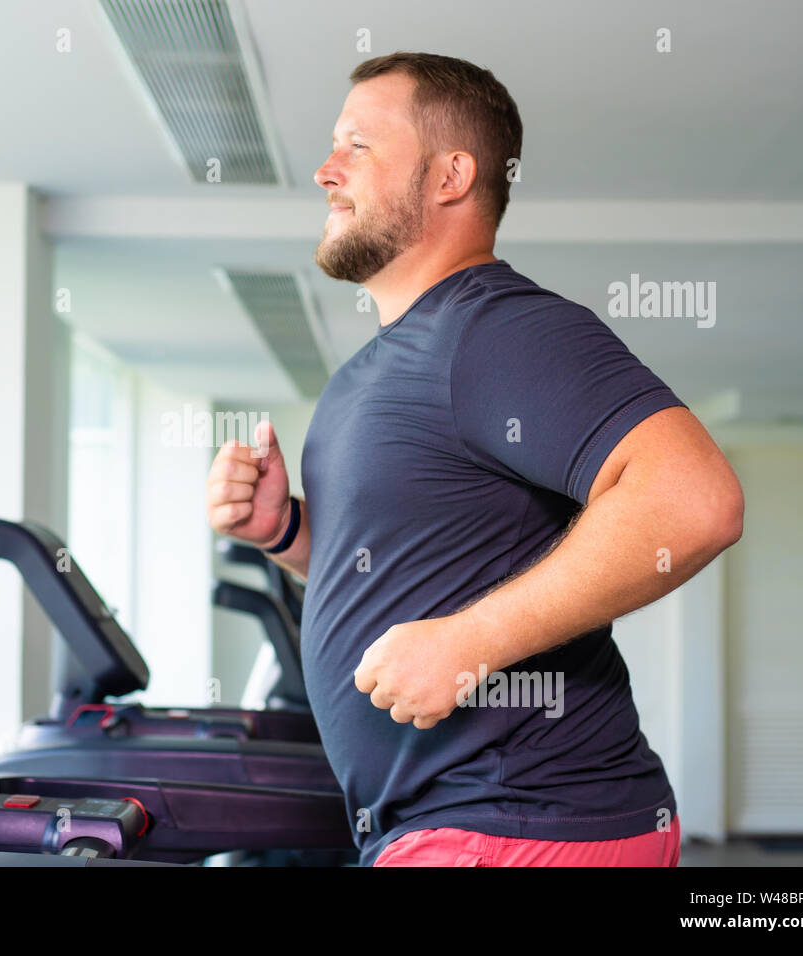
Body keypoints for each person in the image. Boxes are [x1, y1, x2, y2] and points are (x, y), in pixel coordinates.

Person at [205, 52, 743, 867]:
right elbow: (402, 578)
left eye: (357, 147)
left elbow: (695, 500)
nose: (324, 171)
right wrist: (285, 533)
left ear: (451, 175)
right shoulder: (381, 367)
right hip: (450, 821)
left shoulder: (495, 329)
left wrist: (469, 645)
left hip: (517, 819)